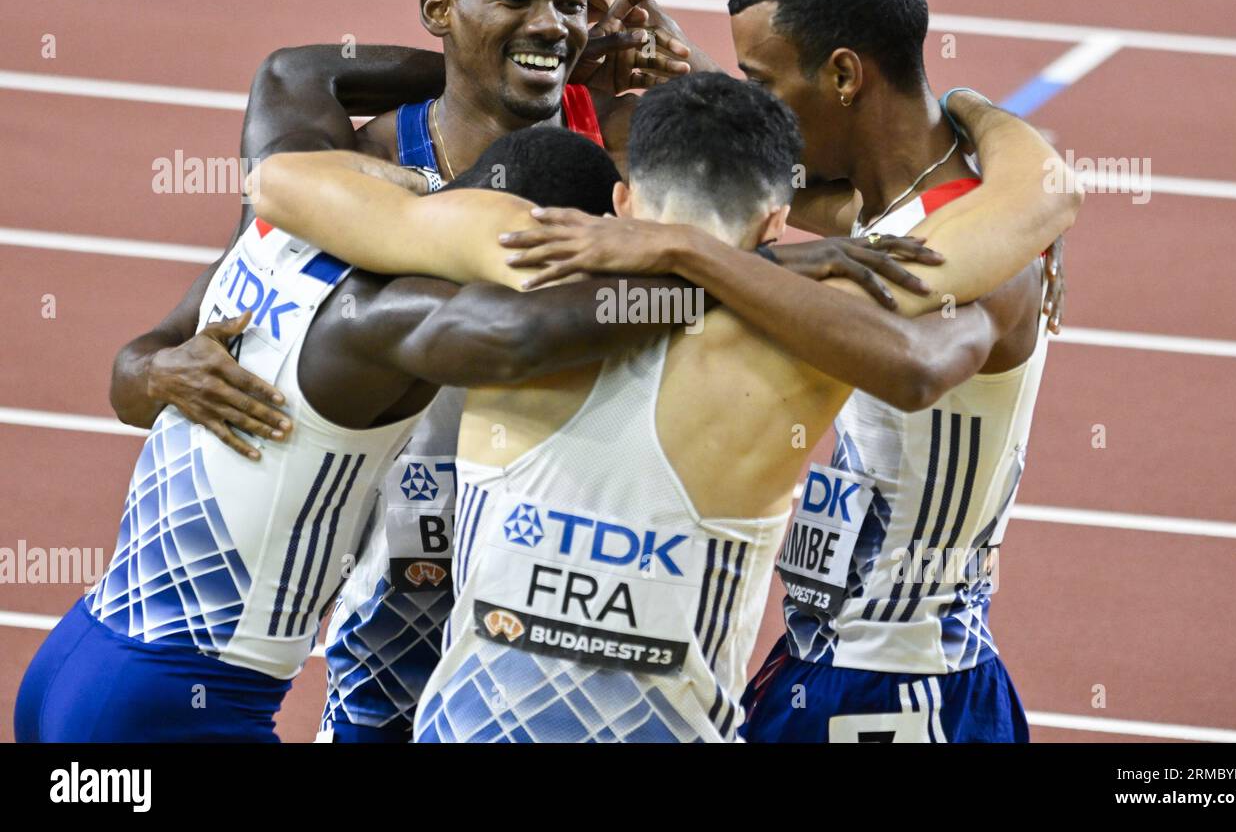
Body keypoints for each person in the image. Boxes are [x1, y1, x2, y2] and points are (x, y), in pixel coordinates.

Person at [249, 70, 1078, 741]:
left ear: (619, 204)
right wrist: (971, 112)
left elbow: (277, 180)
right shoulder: (813, 337)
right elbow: (1035, 203)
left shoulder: (517, 256)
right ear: (777, 222)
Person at [505, 0, 1077, 742]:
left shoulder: (985, 244)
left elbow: (912, 370)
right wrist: (667, 79)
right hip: (825, 655)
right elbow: (752, 185)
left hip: (904, 686)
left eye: (761, 81)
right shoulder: (882, 209)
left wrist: (684, 250)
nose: (754, 101)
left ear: (843, 75)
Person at [14, 126, 713, 742]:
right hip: (179, 698)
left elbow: (298, 81)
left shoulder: (281, 237)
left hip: (79, 651)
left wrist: (420, 184)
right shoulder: (382, 318)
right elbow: (526, 335)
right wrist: (719, 272)